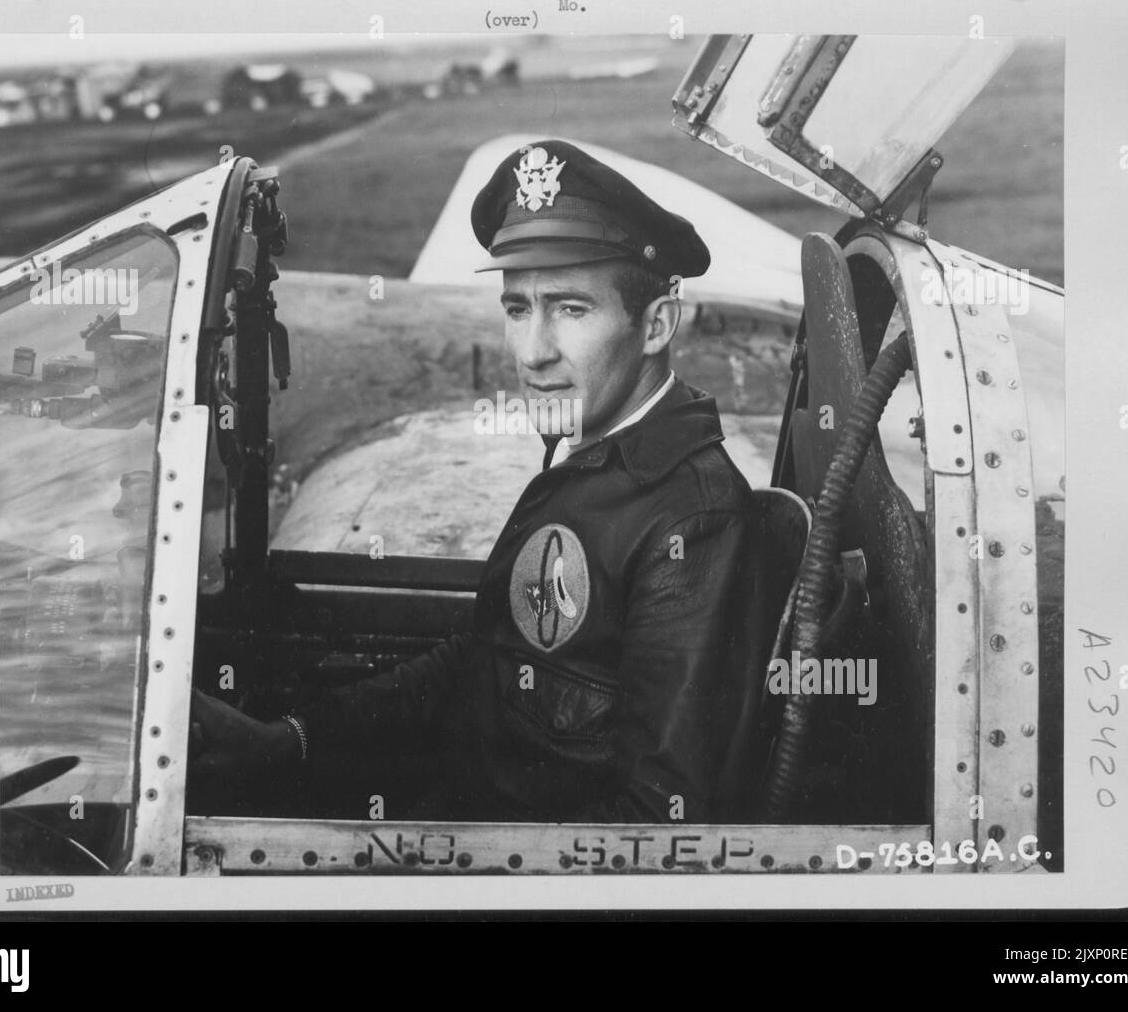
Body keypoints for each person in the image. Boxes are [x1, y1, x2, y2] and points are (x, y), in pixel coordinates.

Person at [191, 139, 760, 822]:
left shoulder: (690, 521)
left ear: (656, 325)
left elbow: (657, 826)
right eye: (518, 308)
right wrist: (292, 739)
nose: (533, 352)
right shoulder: (590, 458)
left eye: (572, 309)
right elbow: (486, 659)